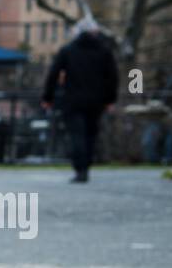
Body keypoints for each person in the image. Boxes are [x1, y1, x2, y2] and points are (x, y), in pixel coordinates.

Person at [42, 17, 118, 183]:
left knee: (77, 134)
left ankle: (80, 169)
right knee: (91, 134)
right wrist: (110, 99)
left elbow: (53, 74)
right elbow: (112, 77)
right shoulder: (104, 51)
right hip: (96, 100)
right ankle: (87, 166)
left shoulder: (68, 50)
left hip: (73, 99)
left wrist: (48, 97)